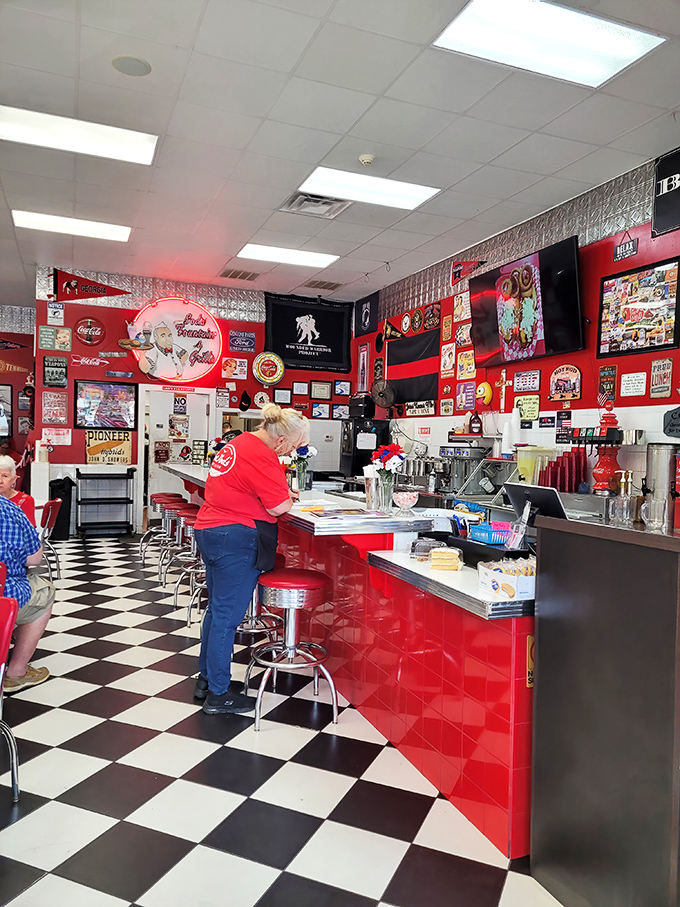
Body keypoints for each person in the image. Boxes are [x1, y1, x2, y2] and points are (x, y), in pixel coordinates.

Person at [193, 404, 309, 715]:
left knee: (217, 611)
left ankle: (206, 681)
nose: (291, 452)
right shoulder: (261, 453)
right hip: (236, 538)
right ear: (282, 439)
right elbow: (277, 508)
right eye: (294, 446)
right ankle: (218, 695)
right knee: (228, 618)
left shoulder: (241, 442)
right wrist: (284, 496)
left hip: (212, 530)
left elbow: (250, 489)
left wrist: (278, 493)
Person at [0, 493, 54, 693]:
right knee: (45, 592)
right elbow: (33, 559)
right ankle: (16, 672)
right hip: (4, 598)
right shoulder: (9, 509)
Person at [0, 454, 35, 524]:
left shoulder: (25, 500)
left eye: (5, 476)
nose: (0, 481)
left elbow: (28, 531)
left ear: (14, 479)